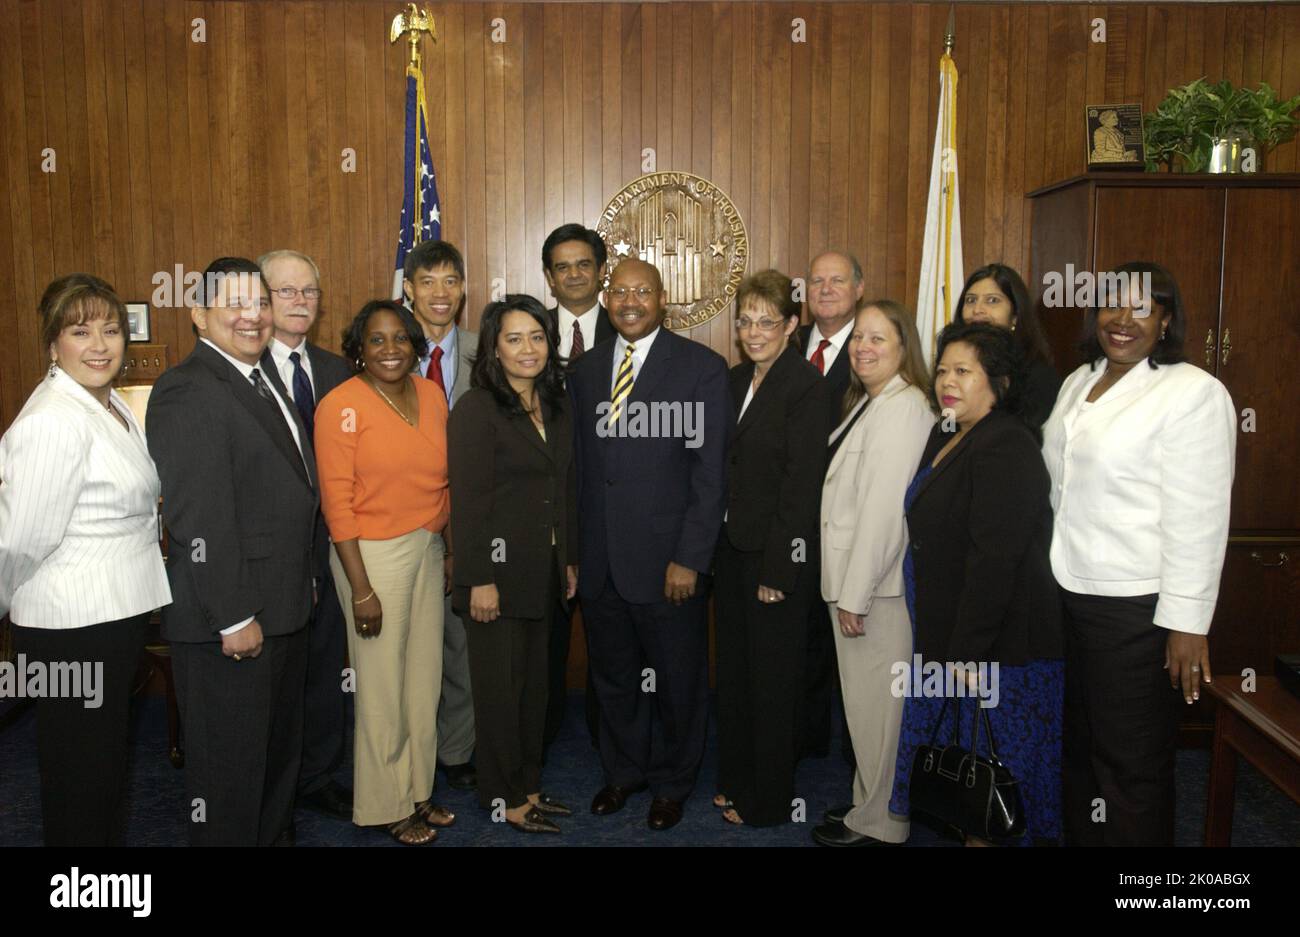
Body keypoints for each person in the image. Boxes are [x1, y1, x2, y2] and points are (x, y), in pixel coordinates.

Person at [1043, 261, 1235, 846]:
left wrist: (1186, 623)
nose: (1122, 320)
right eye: (1111, 305)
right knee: (1079, 752)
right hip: (1071, 598)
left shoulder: (1192, 394)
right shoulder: (1080, 380)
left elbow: (1199, 519)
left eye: (1141, 308)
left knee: (1132, 768)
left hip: (1138, 613)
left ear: (1167, 319)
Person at [147, 257, 320, 846]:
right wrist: (235, 615)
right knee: (228, 785)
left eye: (261, 303)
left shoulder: (258, 375)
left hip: (282, 609)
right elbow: (200, 517)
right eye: (236, 304)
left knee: (274, 771)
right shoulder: (186, 389)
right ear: (198, 315)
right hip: (233, 623)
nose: (253, 316)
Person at [0, 274, 171, 846]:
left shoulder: (107, 401)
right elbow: (19, 540)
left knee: (99, 775)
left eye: (111, 329)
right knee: (81, 782)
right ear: (53, 344)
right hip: (70, 627)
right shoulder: (52, 419)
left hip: (108, 616)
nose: (100, 345)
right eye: (80, 331)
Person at [568, 258, 729, 831]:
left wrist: (690, 558)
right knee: (613, 678)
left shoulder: (701, 370)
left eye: (643, 291)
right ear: (607, 299)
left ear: (663, 299)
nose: (630, 301)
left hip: (668, 564)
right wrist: (574, 555)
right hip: (601, 561)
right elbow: (581, 471)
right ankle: (624, 772)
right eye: (620, 291)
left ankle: (673, 782)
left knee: (678, 680)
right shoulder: (583, 372)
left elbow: (710, 475)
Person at [890, 322, 1065, 845]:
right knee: (968, 785)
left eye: (964, 371)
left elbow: (996, 561)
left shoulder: (1005, 445)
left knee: (994, 788)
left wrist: (967, 653)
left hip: (999, 653)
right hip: (955, 641)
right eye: (943, 369)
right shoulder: (953, 435)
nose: (948, 380)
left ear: (1001, 382)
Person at [315, 299, 454, 845]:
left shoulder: (431, 394)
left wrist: (446, 547)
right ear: (357, 350)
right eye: (376, 340)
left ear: (416, 344)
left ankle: (419, 789)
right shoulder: (341, 406)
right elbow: (337, 504)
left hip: (426, 548)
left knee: (423, 682)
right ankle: (384, 804)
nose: (390, 349)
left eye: (400, 338)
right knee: (380, 686)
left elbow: (445, 482)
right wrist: (361, 589)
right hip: (369, 556)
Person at [448, 295, 579, 834]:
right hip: (494, 578)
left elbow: (563, 490)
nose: (529, 349)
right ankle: (501, 796)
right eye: (514, 338)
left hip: (543, 573)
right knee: (499, 692)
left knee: (533, 689)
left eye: (538, 336)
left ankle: (527, 784)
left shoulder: (555, 404)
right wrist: (478, 577)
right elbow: (469, 501)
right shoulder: (477, 409)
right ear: (493, 349)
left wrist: (567, 560)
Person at [813, 300, 935, 847]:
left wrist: (855, 595)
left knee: (879, 713)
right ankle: (870, 802)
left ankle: (883, 822)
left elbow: (885, 512)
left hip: (875, 593)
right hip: (861, 586)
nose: (863, 347)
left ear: (904, 348)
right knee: (865, 707)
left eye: (878, 339)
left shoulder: (905, 408)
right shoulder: (872, 401)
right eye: (859, 337)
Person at [713, 270, 829, 827]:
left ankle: (770, 800)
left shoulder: (806, 389)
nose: (754, 331)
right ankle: (736, 779)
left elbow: (801, 488)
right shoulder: (736, 382)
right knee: (736, 674)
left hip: (775, 560)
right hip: (732, 552)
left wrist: (780, 569)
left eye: (767, 321)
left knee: (773, 683)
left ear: (790, 325)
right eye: (745, 321)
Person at [258, 249, 354, 822]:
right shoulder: (242, 369)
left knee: (324, 669)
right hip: (269, 557)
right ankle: (273, 784)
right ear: (263, 301)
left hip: (331, 548)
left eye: (309, 293)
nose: (300, 302)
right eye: (286, 292)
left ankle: (317, 775)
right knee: (274, 677)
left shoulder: (339, 370)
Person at [401, 239, 478, 791]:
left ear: (464, 289)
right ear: (408, 289)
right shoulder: (386, 352)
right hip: (403, 523)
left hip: (472, 518)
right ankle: (410, 753)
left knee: (462, 644)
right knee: (407, 647)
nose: (440, 293)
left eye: (450, 281)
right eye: (427, 281)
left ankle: (457, 752)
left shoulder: (486, 350)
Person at [541, 222, 616, 748]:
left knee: (611, 638)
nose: (573, 274)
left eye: (583, 264)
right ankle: (538, 735)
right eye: (562, 266)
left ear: (600, 271)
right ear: (549, 277)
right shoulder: (525, 329)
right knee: (543, 632)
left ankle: (607, 734)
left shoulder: (632, 329)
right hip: (541, 507)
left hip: (609, 508)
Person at [795, 250, 864, 762]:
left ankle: (858, 757)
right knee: (804, 638)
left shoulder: (871, 348)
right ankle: (808, 738)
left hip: (851, 521)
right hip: (794, 519)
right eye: (816, 281)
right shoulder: (789, 343)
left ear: (859, 289)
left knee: (851, 641)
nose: (825, 289)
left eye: (837, 280)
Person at [953, 263, 1060, 428]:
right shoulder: (953, 368)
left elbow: (1019, 439)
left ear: (1015, 316)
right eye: (971, 300)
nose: (977, 310)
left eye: (992, 300)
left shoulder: (1038, 376)